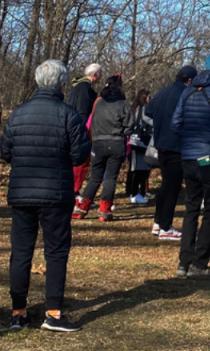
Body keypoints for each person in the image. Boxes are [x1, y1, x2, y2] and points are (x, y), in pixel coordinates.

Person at [2, 59, 91, 332]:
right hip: (55, 193)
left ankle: (18, 312)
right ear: (62, 83)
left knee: (21, 252)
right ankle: (53, 312)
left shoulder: (18, 113)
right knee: (55, 252)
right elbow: (80, 154)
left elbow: (5, 152)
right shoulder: (69, 114)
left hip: (22, 193)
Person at [170, 53, 210, 280]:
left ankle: (183, 263)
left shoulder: (188, 91)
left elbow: (175, 123)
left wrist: (187, 142)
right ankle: (199, 263)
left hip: (188, 157)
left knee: (191, 208)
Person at [148, 65, 197, 241]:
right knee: (173, 187)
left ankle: (158, 222)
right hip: (177, 146)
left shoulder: (162, 92)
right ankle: (165, 227)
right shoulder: (185, 95)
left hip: (161, 145)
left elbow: (148, 112)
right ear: (189, 81)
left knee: (166, 185)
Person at [74, 76, 133, 222]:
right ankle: (104, 210)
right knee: (110, 178)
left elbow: (91, 120)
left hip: (98, 143)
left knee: (95, 177)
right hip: (116, 143)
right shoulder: (123, 104)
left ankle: (82, 208)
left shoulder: (98, 102)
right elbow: (130, 126)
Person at [66, 63, 101, 196]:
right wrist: (84, 131)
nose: (101, 76)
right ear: (94, 74)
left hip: (75, 128)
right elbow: (82, 110)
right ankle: (74, 191)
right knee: (81, 161)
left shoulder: (78, 86)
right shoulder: (84, 88)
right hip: (81, 129)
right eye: (100, 73)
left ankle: (74, 190)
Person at [126, 89, 153, 204]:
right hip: (140, 143)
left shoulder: (133, 108)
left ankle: (134, 192)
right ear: (144, 97)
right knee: (137, 169)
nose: (150, 99)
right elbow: (146, 119)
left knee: (135, 169)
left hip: (134, 142)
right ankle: (134, 193)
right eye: (149, 97)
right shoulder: (143, 109)